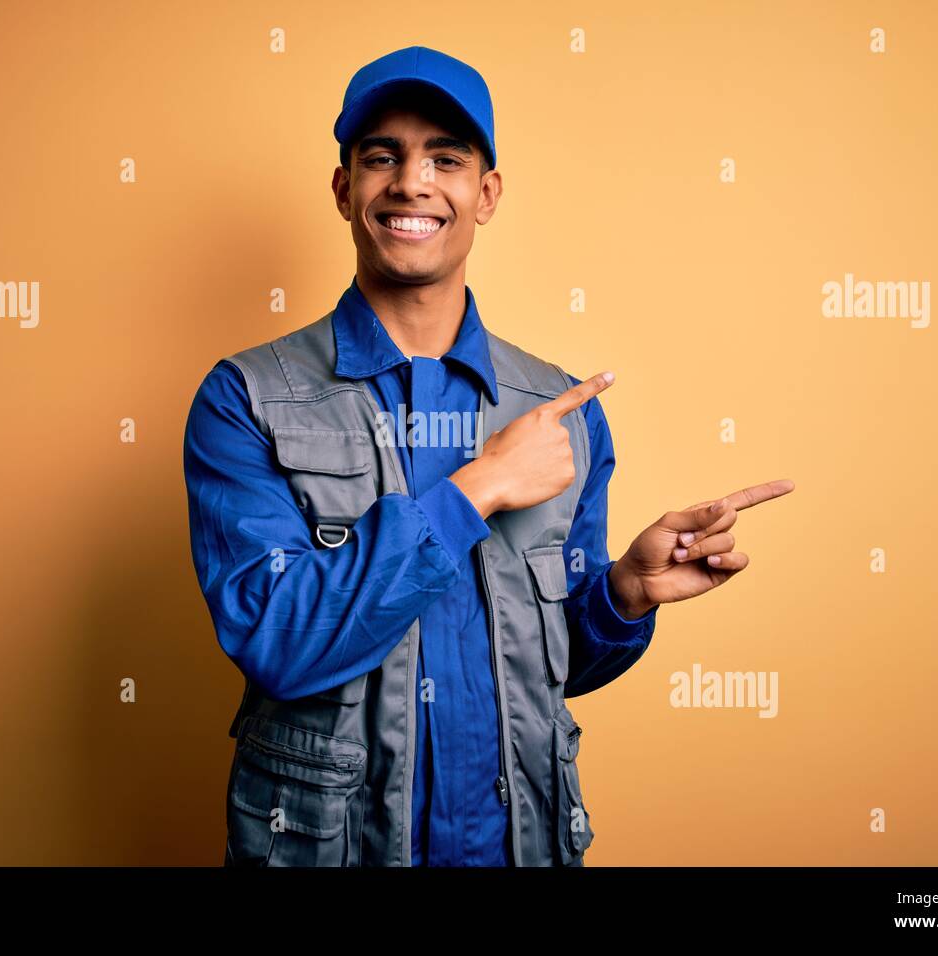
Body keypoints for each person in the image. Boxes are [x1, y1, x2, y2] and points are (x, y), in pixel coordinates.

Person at [183, 44, 794, 866]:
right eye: (381, 157)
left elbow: (552, 668)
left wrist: (625, 592)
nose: (412, 182)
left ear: (487, 193)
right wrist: (478, 488)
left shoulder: (560, 408)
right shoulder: (245, 399)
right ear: (344, 190)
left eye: (447, 158)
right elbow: (280, 643)